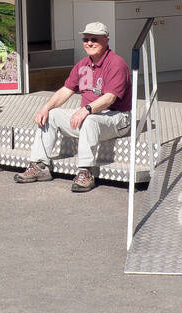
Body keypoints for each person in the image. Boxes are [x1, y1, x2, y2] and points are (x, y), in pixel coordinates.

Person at [15, 21, 131, 193]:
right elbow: (66, 90)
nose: (89, 43)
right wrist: (45, 107)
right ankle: (40, 166)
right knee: (51, 115)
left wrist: (86, 110)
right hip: (90, 118)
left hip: (117, 118)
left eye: (95, 39)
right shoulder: (83, 64)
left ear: (106, 40)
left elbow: (109, 98)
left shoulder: (116, 63)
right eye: (86, 39)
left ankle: (86, 172)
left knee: (90, 119)